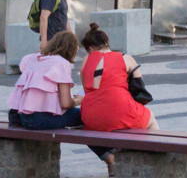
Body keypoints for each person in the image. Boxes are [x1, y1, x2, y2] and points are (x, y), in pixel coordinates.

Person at [8, 32, 111, 164]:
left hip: (21, 118)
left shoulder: (34, 58)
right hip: (40, 120)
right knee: (87, 117)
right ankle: (109, 158)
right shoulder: (61, 63)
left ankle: (109, 157)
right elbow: (66, 103)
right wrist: (79, 100)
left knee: (81, 118)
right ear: (71, 50)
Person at [80, 23, 157, 172]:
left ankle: (112, 164)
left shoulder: (86, 60)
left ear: (90, 48)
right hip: (119, 110)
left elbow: (87, 89)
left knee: (92, 128)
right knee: (150, 118)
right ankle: (155, 160)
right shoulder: (125, 58)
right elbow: (140, 90)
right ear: (107, 42)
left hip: (90, 116)